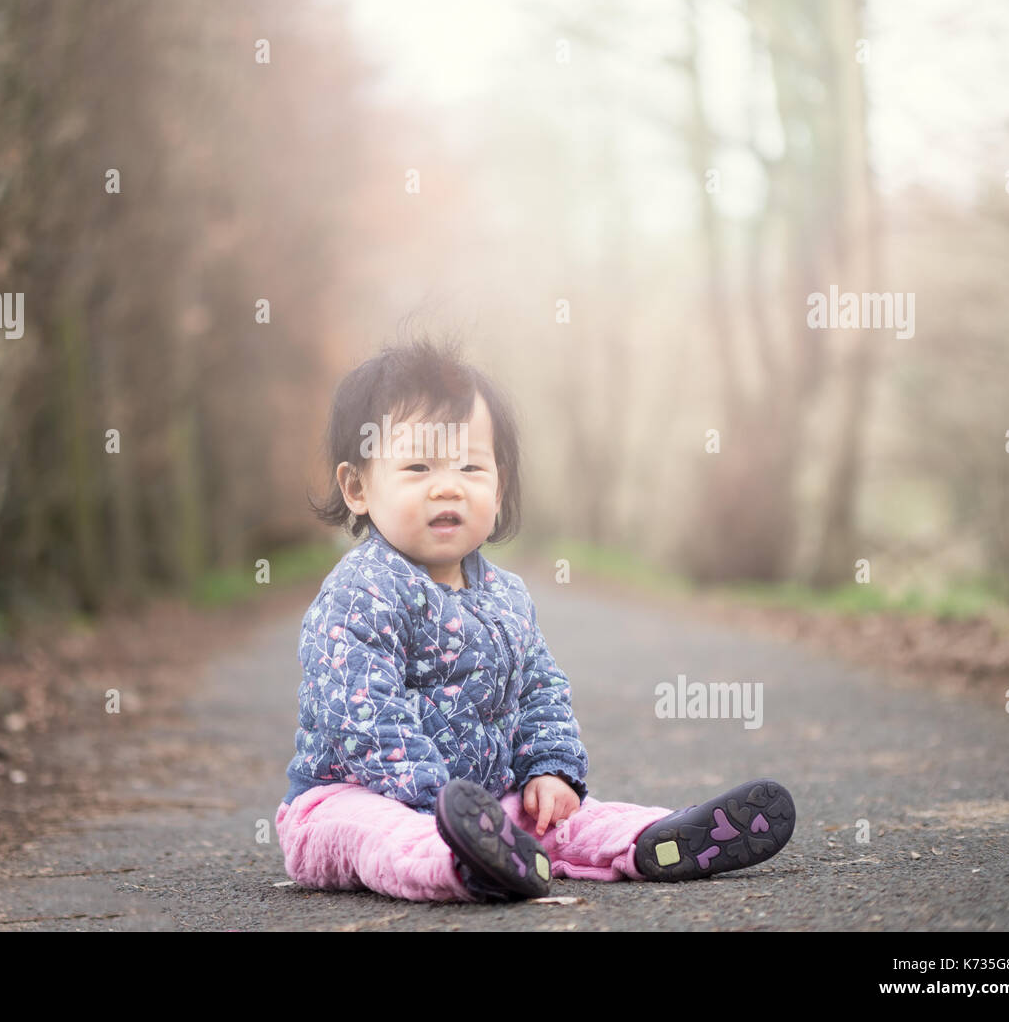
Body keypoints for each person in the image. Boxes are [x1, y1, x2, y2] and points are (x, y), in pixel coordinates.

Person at [276, 336, 795, 902]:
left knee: (562, 820)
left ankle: (653, 840)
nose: (447, 485)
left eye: (471, 466)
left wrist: (548, 770)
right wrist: (435, 802)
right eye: (418, 466)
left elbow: (541, 691)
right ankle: (465, 863)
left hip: (481, 804)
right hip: (347, 800)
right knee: (382, 834)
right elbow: (364, 714)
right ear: (357, 487)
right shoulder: (362, 591)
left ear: (498, 489)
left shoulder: (507, 597)